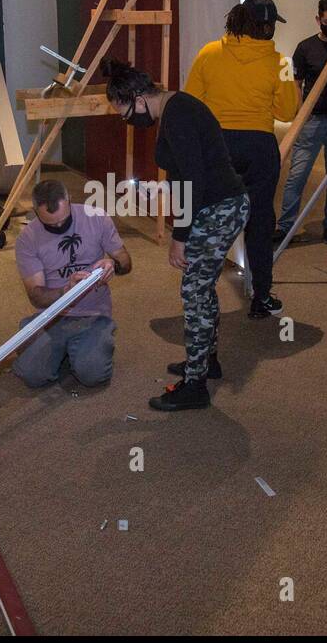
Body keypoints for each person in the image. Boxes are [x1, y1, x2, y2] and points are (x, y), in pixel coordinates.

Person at [102, 59, 249, 412]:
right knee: (202, 286)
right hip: (214, 206)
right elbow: (183, 176)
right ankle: (206, 360)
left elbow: (193, 179)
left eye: (125, 115)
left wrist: (179, 235)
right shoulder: (173, 110)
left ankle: (195, 385)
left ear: (138, 97)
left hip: (219, 208)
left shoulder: (179, 112)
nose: (129, 123)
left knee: (194, 291)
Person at [184, 0, 298, 319]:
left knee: (212, 220)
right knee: (260, 221)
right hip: (260, 147)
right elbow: (288, 110)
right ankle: (262, 297)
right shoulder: (282, 63)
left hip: (219, 146)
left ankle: (201, 298)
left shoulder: (209, 53)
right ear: (269, 27)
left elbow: (191, 102)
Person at [12, 179, 131, 389]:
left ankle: (74, 347)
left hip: (94, 315)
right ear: (35, 212)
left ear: (70, 201)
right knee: (32, 375)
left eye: (64, 220)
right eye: (51, 224)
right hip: (52, 316)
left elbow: (126, 262)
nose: (59, 227)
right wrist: (66, 290)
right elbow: (36, 296)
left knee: (93, 375)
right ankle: (47, 339)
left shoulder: (97, 217)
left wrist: (112, 263)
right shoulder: (27, 238)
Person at [274, 0, 327, 247]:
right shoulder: (305, 48)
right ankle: (285, 227)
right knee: (297, 175)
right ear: (318, 19)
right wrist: (299, 113)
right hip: (312, 121)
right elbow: (296, 83)